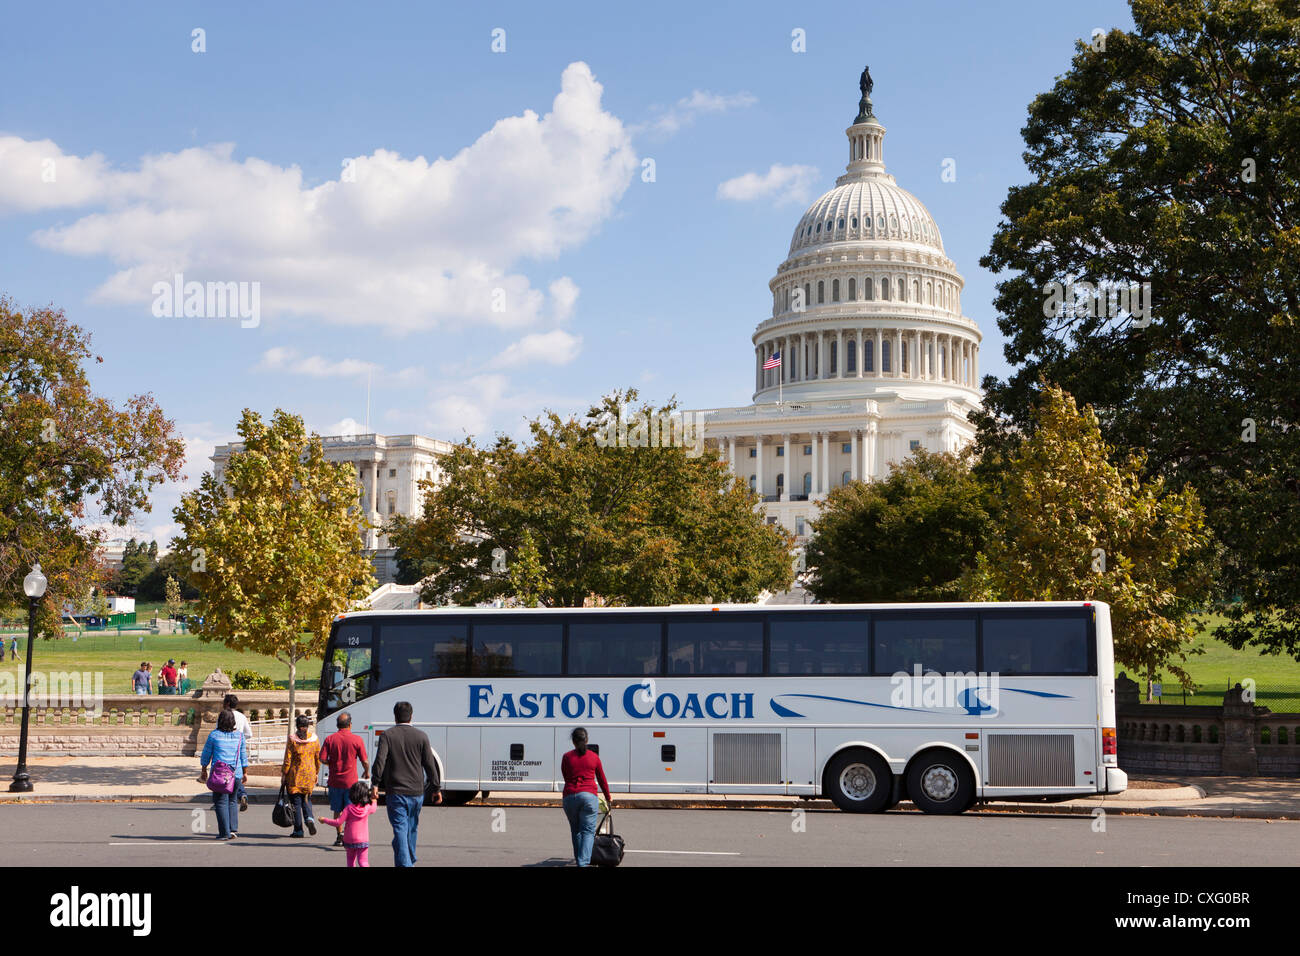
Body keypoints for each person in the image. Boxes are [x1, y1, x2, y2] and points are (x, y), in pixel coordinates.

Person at [371, 700, 441, 867]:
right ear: (411, 716)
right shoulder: (421, 736)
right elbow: (429, 764)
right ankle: (410, 859)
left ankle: (406, 864)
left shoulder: (387, 736)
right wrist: (436, 787)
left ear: (395, 717)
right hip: (417, 792)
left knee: (400, 830)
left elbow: (380, 761)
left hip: (395, 791)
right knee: (411, 828)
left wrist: (375, 784)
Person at [560, 727, 612, 867]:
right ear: (587, 740)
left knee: (575, 831)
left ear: (573, 741)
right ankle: (583, 863)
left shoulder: (567, 757)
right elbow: (602, 779)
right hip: (589, 797)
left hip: (570, 797)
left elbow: (566, 776)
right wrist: (608, 797)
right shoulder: (594, 757)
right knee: (588, 832)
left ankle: (580, 860)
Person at [319, 713, 370, 847]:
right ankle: (349, 836)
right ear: (350, 724)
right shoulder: (357, 739)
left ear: (337, 725)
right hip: (351, 782)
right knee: (351, 809)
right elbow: (364, 760)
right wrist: (367, 771)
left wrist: (331, 763)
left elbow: (322, 758)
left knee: (337, 810)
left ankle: (339, 836)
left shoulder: (330, 739)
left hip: (335, 781)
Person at [199, 708, 249, 840]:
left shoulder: (214, 735)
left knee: (220, 802)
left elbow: (206, 754)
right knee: (232, 801)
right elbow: (243, 755)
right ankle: (232, 829)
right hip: (236, 773)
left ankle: (224, 833)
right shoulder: (239, 736)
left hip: (220, 775)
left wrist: (204, 769)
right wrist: (245, 772)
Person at [320, 780, 378, 867]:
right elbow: (374, 807)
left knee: (350, 862)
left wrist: (324, 820)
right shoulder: (367, 808)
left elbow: (338, 822)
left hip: (349, 840)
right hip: (363, 840)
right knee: (363, 862)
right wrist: (374, 799)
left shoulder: (348, 808)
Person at [281, 714, 322, 838]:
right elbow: (318, 758)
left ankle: (298, 830)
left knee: (296, 803)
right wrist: (316, 772)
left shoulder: (292, 739)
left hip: (295, 776)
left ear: (297, 726)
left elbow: (288, 759)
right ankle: (309, 818)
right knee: (306, 799)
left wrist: (284, 774)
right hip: (309, 774)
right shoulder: (314, 739)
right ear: (308, 726)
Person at [223, 694, 254, 812]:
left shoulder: (224, 716)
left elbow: (218, 731)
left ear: (227, 704)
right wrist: (240, 739)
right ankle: (242, 795)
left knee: (226, 774)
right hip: (238, 748)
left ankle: (224, 799)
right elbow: (249, 734)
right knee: (237, 773)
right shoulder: (242, 716)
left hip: (226, 748)